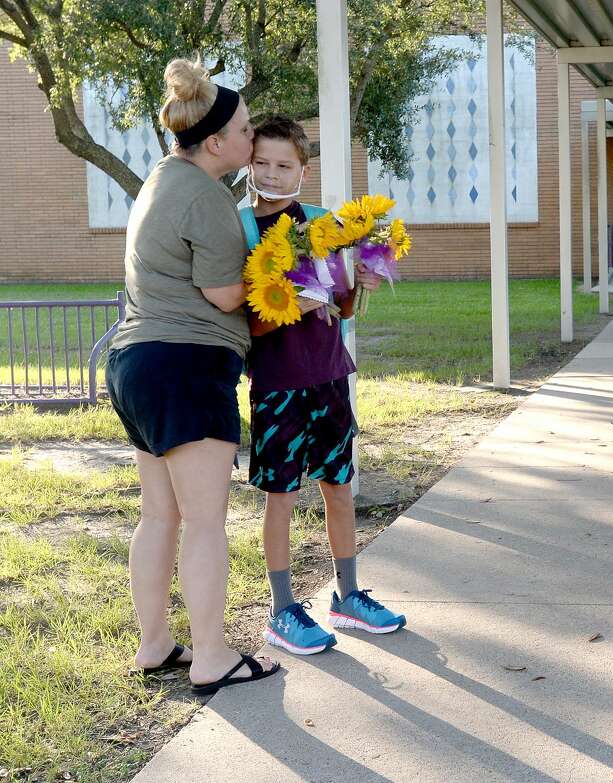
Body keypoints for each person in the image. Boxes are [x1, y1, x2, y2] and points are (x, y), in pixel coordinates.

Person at [107, 58, 279, 695]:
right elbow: (227, 294)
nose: (252, 138)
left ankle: (156, 643)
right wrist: (292, 277)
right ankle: (210, 656)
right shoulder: (207, 196)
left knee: (160, 516)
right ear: (215, 143)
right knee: (205, 520)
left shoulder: (163, 178)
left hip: (134, 363)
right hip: (186, 363)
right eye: (243, 130)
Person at [239, 117, 402, 657]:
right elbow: (248, 320)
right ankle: (281, 607)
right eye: (261, 162)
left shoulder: (320, 224)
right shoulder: (239, 228)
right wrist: (291, 304)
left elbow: (344, 304)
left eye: (284, 165)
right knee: (281, 495)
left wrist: (363, 280)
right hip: (277, 384)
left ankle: (347, 596)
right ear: (248, 162)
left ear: (303, 170)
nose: (272, 173)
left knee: (338, 485)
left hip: (330, 375)